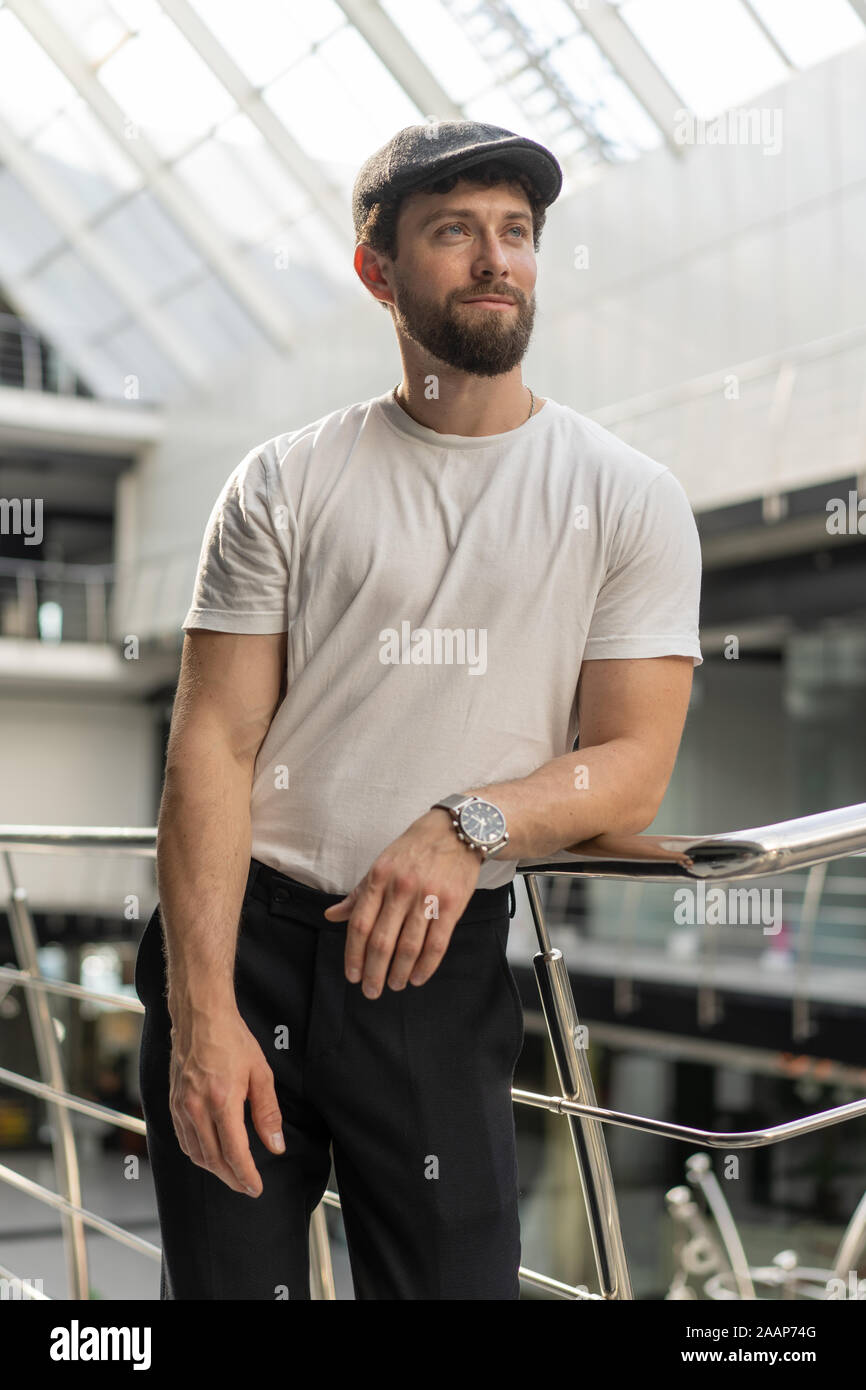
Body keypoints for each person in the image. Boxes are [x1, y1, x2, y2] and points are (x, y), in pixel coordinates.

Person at [135, 119, 703, 1301]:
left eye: (515, 231)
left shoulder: (627, 497)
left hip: (437, 970)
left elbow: (633, 762)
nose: (496, 259)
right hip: (246, 947)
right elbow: (212, 745)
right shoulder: (283, 482)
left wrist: (469, 822)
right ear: (376, 271)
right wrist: (200, 1016)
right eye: (453, 232)